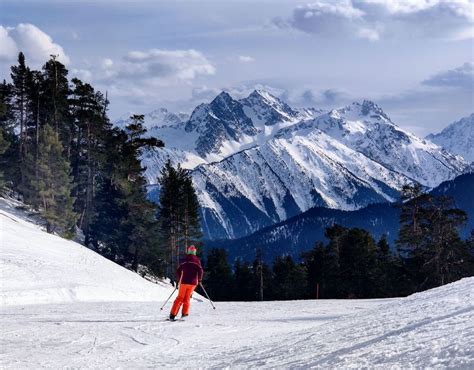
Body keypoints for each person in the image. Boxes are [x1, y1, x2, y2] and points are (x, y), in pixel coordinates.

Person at [169, 245, 203, 320]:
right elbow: (200, 270)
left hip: (184, 282)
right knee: (187, 298)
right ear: (194, 252)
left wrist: (178, 278)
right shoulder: (197, 260)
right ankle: (185, 314)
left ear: (188, 251)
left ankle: (173, 314)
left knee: (180, 298)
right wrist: (199, 279)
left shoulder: (184, 260)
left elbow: (178, 270)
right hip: (193, 283)